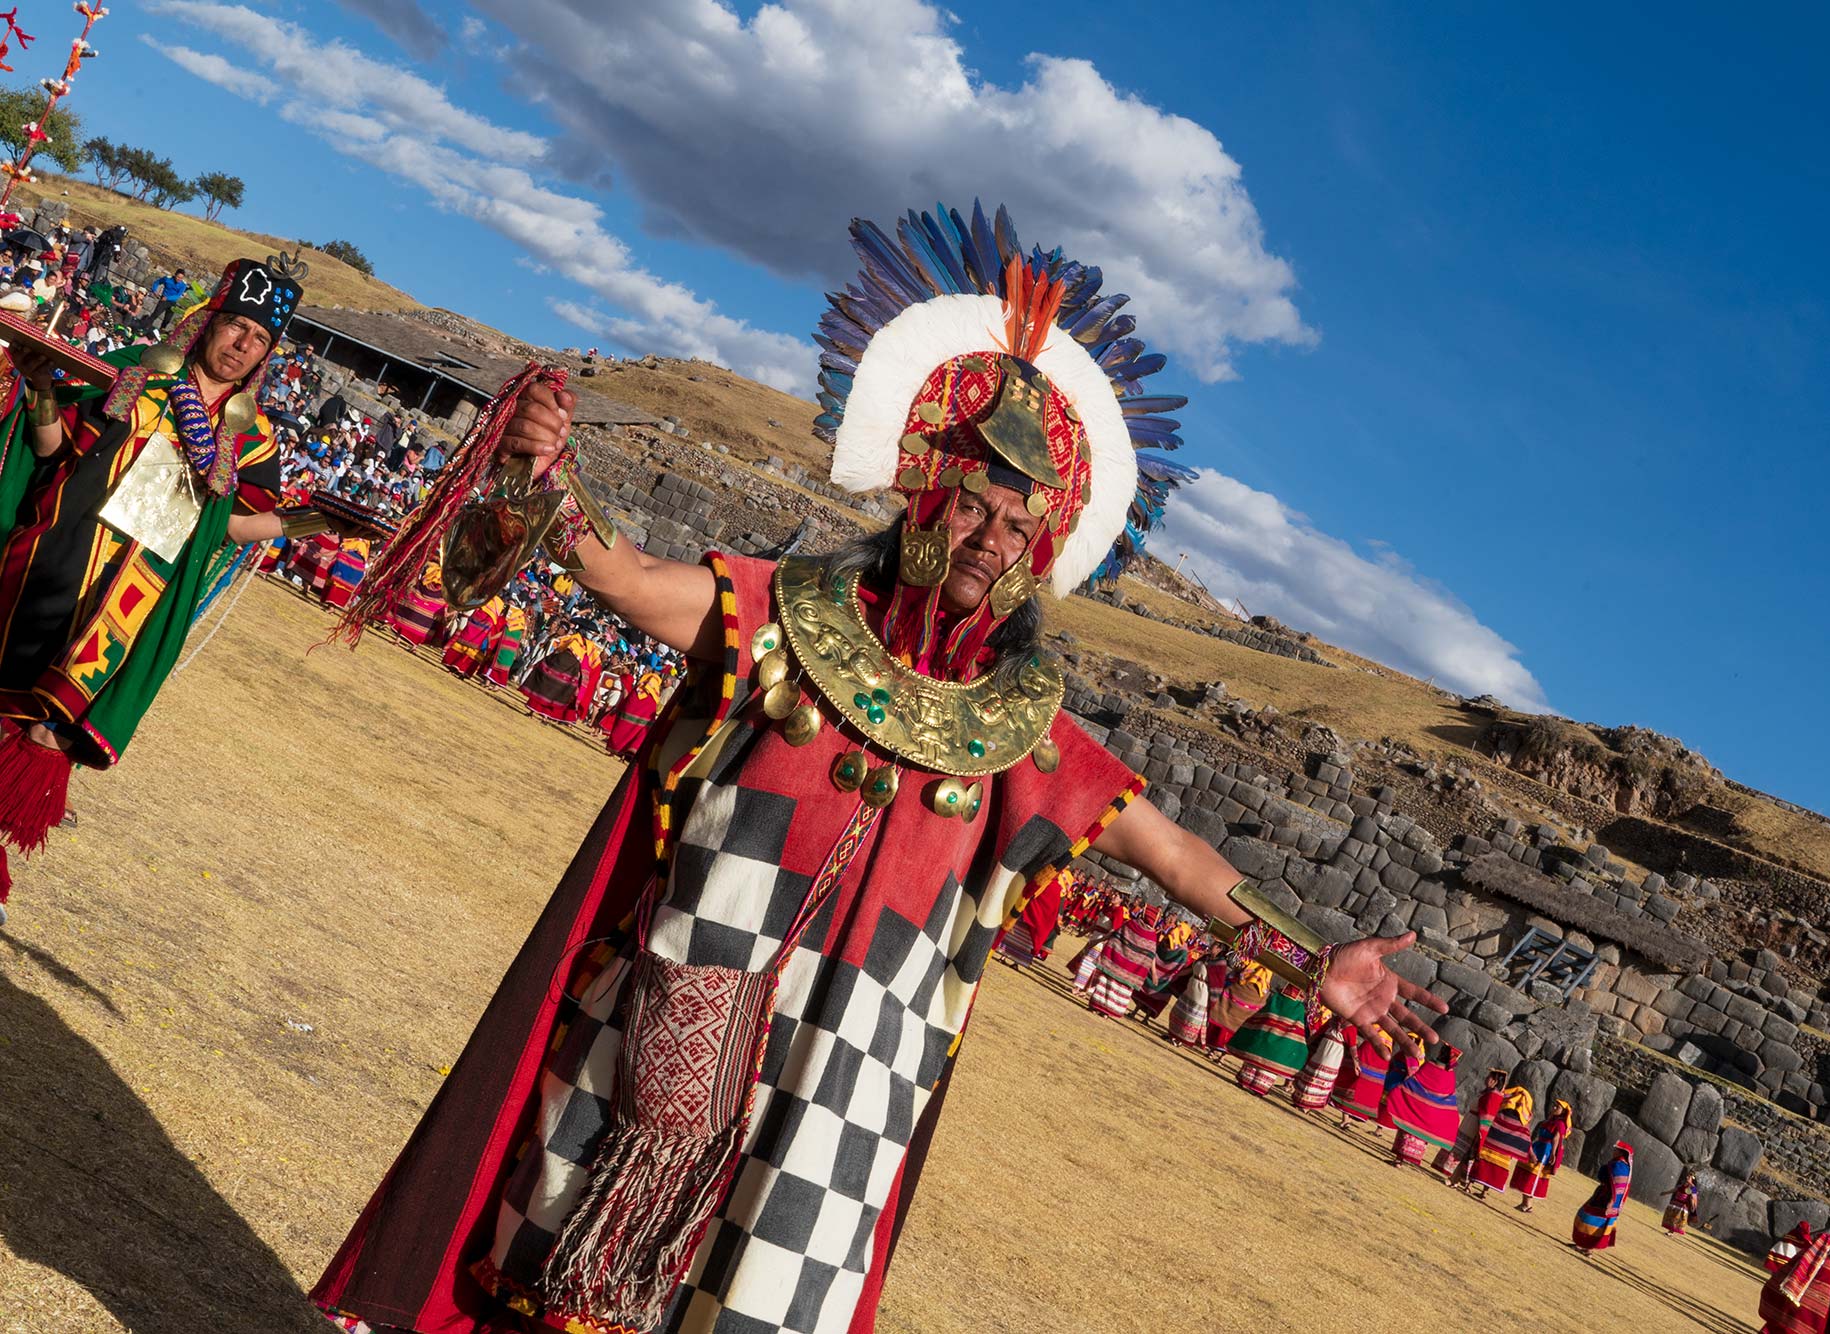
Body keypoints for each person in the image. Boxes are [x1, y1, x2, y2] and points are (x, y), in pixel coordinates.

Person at [312, 203, 1444, 1334]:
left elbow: (1175, 853)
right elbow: (633, 580)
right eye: (978, 505)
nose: (993, 537)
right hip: (687, 999)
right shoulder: (786, 610)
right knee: (566, 1270)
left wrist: (1311, 961)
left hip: (848, 1083)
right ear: (922, 494)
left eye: (1020, 525)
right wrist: (551, 480)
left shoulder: (1022, 725)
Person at [0, 255, 303, 902]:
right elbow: (54, 451)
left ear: (266, 356)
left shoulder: (253, 441)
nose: (242, 347)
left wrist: (302, 525)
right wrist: (44, 391)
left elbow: (225, 527)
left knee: (47, 726)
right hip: (53, 559)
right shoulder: (139, 370)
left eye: (259, 341)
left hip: (130, 600)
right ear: (210, 322)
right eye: (236, 329)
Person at [1382, 1042, 1460, 1167]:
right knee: (1421, 1136)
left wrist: (1402, 1089)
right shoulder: (1450, 1075)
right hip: (1430, 1113)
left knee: (1407, 1133)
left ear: (1442, 1053)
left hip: (1416, 1107)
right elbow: (1449, 1096)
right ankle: (1410, 1159)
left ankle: (1399, 1160)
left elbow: (1415, 1080)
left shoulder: (1430, 1066)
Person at [1469, 1083, 1535, 1202]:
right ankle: (1484, 1192)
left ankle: (1469, 1185)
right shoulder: (1523, 1121)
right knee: (1494, 1169)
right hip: (1504, 1153)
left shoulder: (1502, 1111)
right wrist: (1530, 1153)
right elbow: (1526, 1138)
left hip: (1490, 1145)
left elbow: (1490, 1122)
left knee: (1482, 1163)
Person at [1511, 1098, 1573, 1213]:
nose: (1554, 1108)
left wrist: (1553, 1153)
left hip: (1545, 1150)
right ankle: (1524, 1202)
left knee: (1533, 1175)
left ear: (1563, 1112)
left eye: (1557, 1107)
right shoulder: (1551, 1120)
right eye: (1554, 1105)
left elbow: (1556, 1139)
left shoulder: (1560, 1124)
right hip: (1539, 1146)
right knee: (1527, 1171)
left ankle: (1528, 1204)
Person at [1573, 1141, 1633, 1253]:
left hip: (1604, 1198)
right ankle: (1588, 1249)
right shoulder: (1624, 1167)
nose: (1613, 1151)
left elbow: (1615, 1186)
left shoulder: (1617, 1165)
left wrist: (1611, 1201)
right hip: (1609, 1198)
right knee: (1598, 1222)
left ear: (1621, 1153)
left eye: (1616, 1150)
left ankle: (1582, 1246)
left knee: (1588, 1218)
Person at [143, 267, 191, 334]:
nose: (179, 279)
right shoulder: (167, 279)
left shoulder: (183, 285)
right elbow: (157, 282)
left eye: (181, 278)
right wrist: (154, 290)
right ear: (175, 275)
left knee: (167, 319)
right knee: (155, 314)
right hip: (163, 300)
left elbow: (177, 296)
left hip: (172, 302)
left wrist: (168, 298)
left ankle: (160, 333)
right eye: (178, 277)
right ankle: (145, 328)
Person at [1662, 1168, 1700, 1235]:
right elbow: (1675, 1189)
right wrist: (1665, 1192)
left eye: (1689, 1176)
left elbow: (1693, 1197)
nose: (1687, 1177)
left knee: (1677, 1219)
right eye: (1687, 1176)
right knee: (1672, 1217)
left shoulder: (1693, 1187)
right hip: (1675, 1203)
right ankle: (1670, 1231)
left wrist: (1693, 1205)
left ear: (1692, 1178)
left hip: (1682, 1205)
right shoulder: (1683, 1184)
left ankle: (1671, 1232)